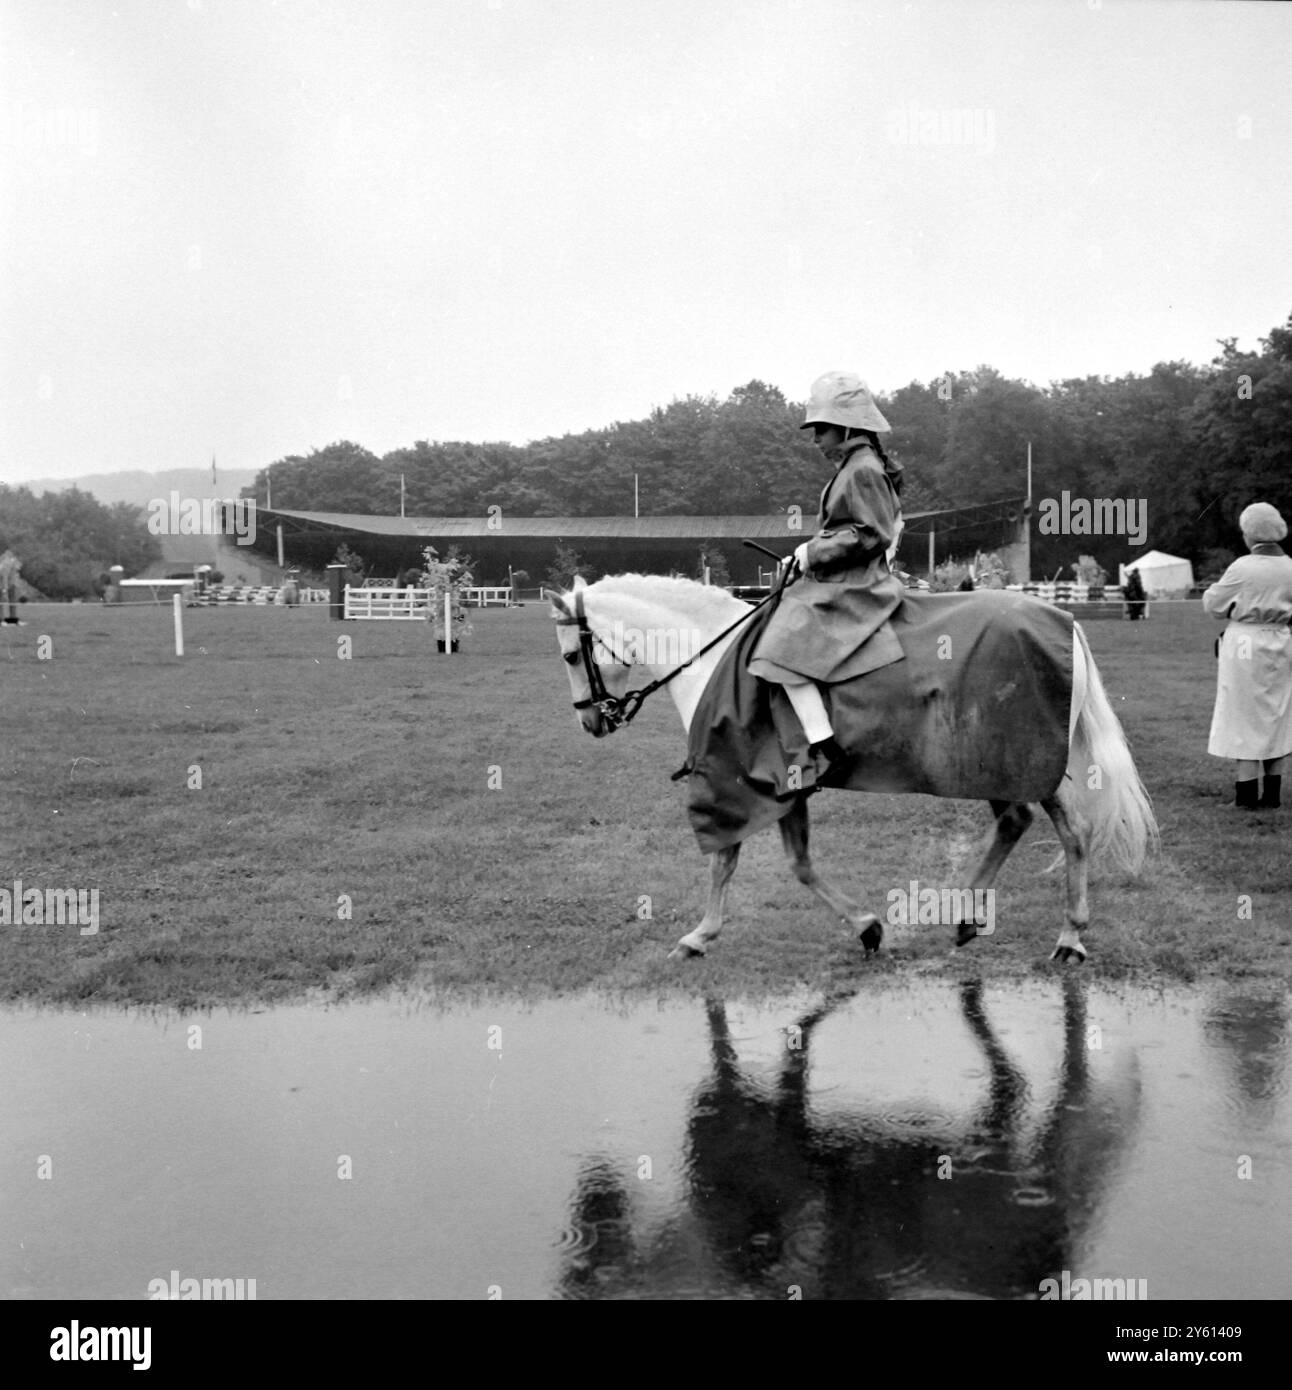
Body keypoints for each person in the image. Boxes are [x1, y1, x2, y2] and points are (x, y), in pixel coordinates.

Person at [748, 371, 906, 772]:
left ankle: (825, 746)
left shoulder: (862, 469)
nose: (815, 438)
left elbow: (873, 532)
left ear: (846, 427)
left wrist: (810, 552)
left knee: (779, 646)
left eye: (820, 428)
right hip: (841, 576)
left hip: (858, 584)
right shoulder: (854, 465)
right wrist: (802, 557)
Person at [1203, 501, 1292, 810]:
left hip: (1245, 643)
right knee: (1275, 714)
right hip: (1281, 640)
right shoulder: (1290, 566)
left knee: (1243, 714)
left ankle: (1245, 795)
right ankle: (1271, 795)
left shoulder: (1243, 567)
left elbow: (1213, 603)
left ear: (1250, 535)